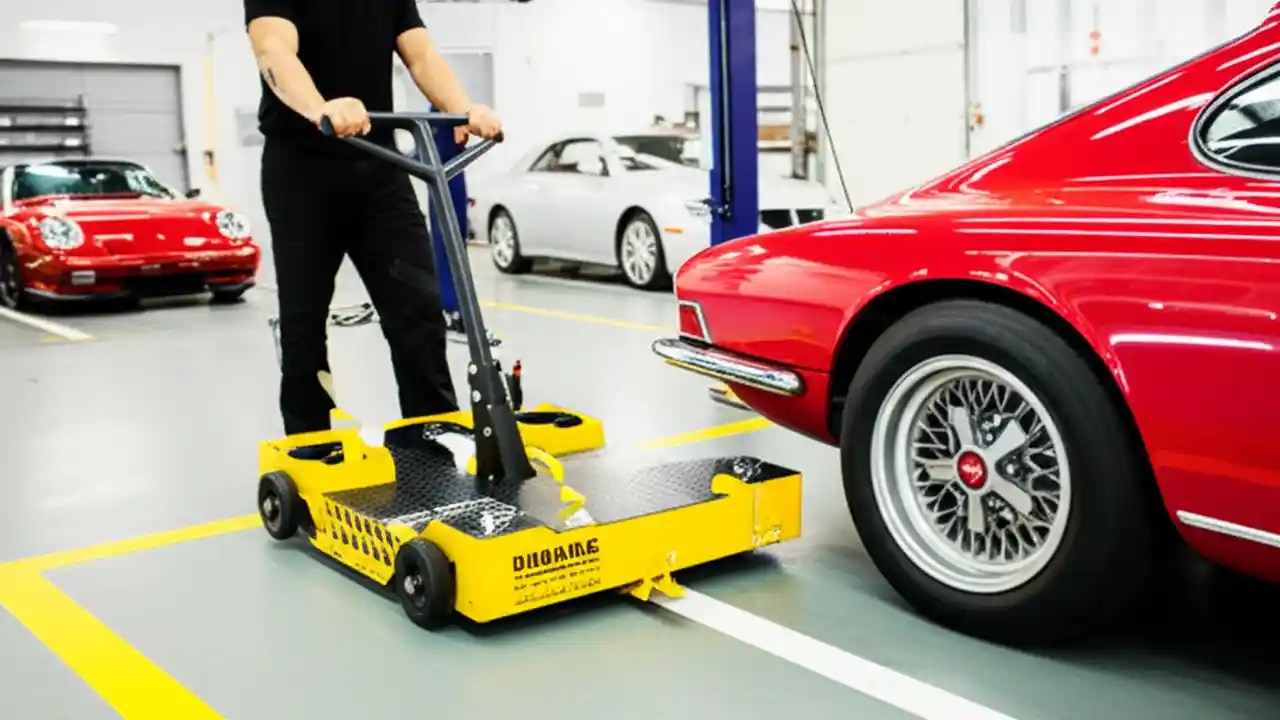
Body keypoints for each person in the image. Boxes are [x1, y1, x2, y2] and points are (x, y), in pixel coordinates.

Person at [244, 0, 502, 436]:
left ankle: (431, 441)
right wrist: (320, 107)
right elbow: (273, 50)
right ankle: (312, 447)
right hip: (301, 172)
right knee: (304, 325)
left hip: (379, 166)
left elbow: (421, 54)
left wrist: (463, 108)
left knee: (419, 312)